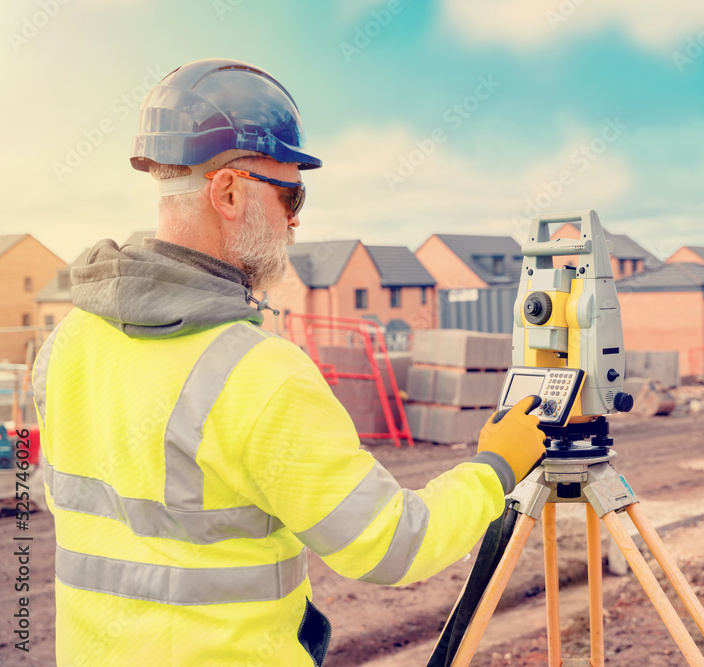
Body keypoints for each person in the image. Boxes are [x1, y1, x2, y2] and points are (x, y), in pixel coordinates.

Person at [33, 58, 546, 666]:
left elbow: (71, 501)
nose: (296, 219)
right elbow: (390, 546)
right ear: (228, 191)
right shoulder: (255, 373)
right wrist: (496, 468)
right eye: (290, 194)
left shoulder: (69, 342)